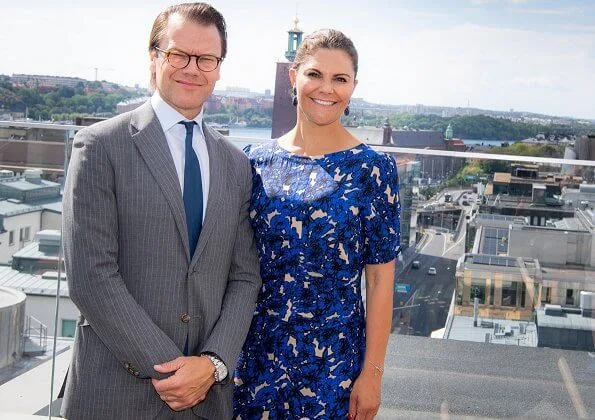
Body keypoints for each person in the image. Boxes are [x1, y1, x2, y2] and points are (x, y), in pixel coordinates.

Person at [61, 3, 261, 419]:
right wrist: (175, 372)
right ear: (153, 57)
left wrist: (212, 365)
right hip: (114, 395)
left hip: (208, 399)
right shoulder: (100, 146)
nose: (192, 67)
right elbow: (91, 276)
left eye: (206, 58)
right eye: (177, 54)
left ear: (219, 67)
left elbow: (244, 277)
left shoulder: (235, 163)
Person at [233, 29, 400, 419]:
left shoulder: (374, 171)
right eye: (315, 75)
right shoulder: (254, 162)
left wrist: (372, 375)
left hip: (334, 363)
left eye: (340, 79)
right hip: (255, 355)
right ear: (294, 77)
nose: (326, 88)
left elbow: (379, 282)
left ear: (353, 87)